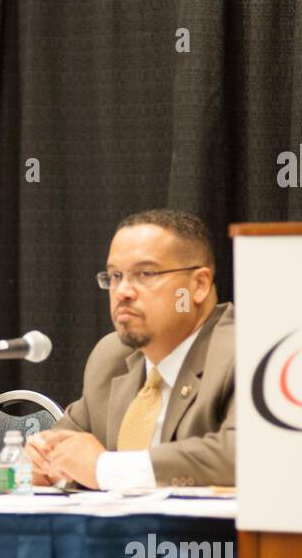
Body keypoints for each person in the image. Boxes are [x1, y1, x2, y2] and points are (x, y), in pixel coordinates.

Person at [27, 209, 235, 489]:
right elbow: (62, 450)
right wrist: (43, 462)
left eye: (145, 273)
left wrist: (106, 469)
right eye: (114, 276)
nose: (122, 291)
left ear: (198, 285)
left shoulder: (243, 352)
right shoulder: (111, 355)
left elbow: (244, 456)